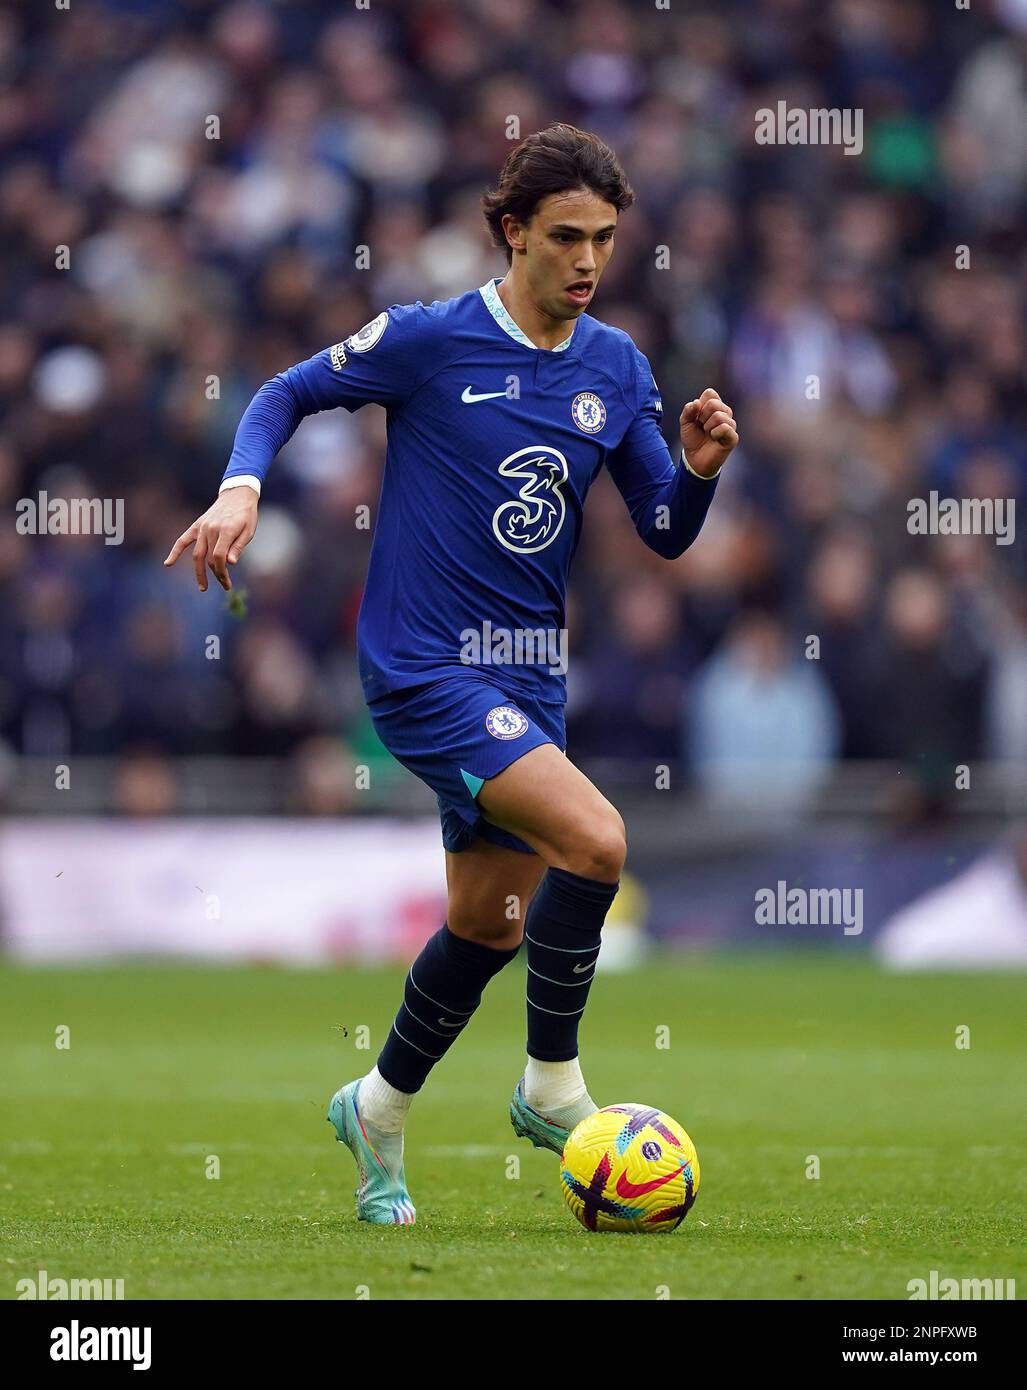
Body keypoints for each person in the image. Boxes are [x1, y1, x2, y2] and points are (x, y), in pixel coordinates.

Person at [164, 124, 738, 1225]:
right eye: (564, 236)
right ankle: (550, 1087)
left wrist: (702, 473)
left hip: (528, 680)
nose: (585, 260)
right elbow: (284, 390)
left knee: (489, 924)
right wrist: (241, 488)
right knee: (601, 842)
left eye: (605, 240)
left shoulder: (617, 367)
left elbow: (663, 529)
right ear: (512, 233)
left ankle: (376, 1107)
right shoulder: (429, 340)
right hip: (423, 668)